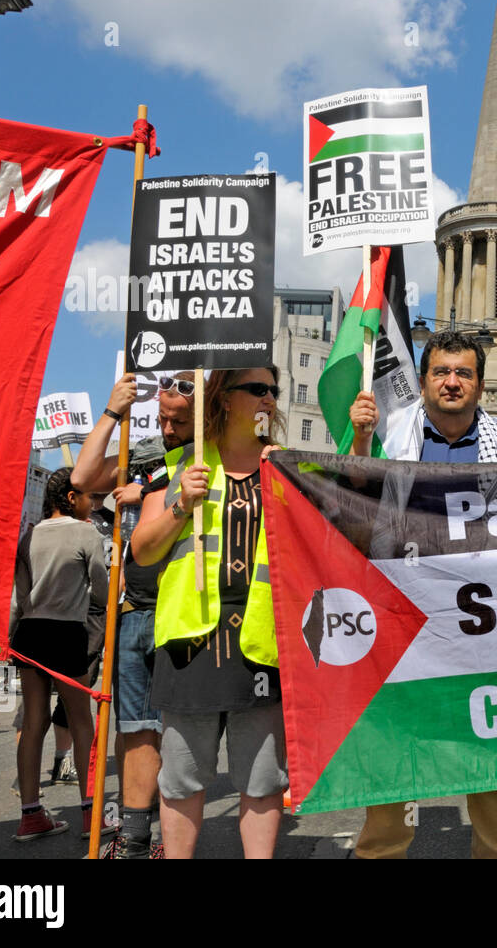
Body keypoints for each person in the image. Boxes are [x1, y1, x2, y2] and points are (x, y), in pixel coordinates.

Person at [346, 331, 497, 858]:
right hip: (404, 618)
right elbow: (353, 502)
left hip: (481, 622)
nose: (452, 382)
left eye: (464, 373)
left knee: (492, 757)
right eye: (442, 372)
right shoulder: (392, 433)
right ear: (425, 380)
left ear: (479, 384)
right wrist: (361, 442)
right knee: (395, 760)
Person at [131, 367, 286, 859]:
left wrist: (362, 437)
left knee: (262, 781)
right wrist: (180, 505)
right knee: (180, 779)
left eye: (273, 391)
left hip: (260, 641)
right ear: (226, 396)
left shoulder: (285, 467)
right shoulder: (178, 463)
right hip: (190, 643)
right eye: (258, 389)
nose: (270, 399)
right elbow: (143, 551)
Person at [72, 371, 196, 858]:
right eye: (163, 418)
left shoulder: (212, 454)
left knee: (181, 732)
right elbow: (82, 479)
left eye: (179, 421)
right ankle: (135, 837)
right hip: (133, 609)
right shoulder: (142, 448)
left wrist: (145, 496)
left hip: (184, 608)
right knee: (135, 729)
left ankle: (173, 837)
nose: (167, 429)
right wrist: (112, 411)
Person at [9, 468, 107, 842]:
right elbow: (101, 591)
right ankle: (89, 814)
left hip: (30, 633)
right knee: (82, 722)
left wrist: (7, 638)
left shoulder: (28, 536)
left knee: (34, 723)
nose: (94, 504)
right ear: (70, 498)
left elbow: (19, 597)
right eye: (89, 497)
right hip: (67, 632)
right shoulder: (86, 532)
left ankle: (30, 814)